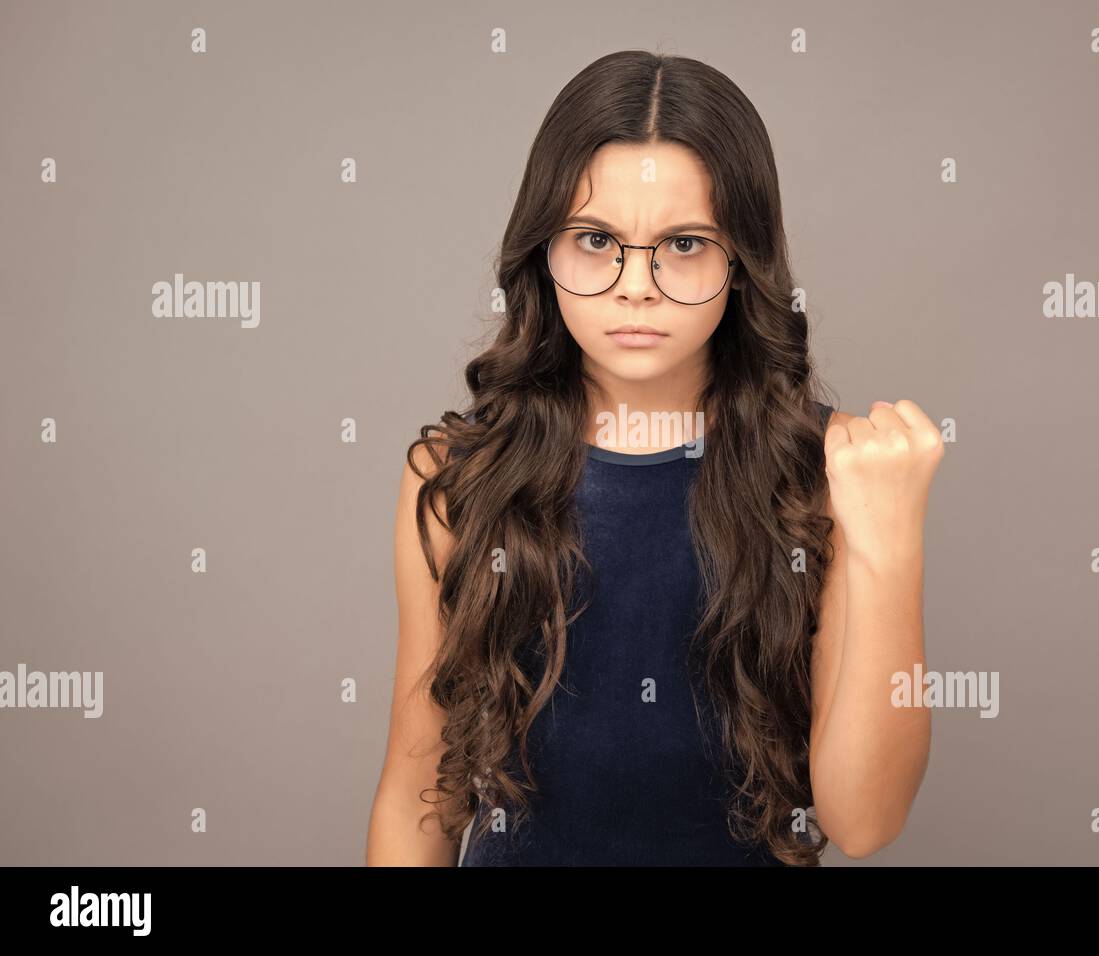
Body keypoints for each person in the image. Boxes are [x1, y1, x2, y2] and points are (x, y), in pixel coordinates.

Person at [366, 49, 942, 867]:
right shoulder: (456, 476)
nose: (636, 285)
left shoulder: (834, 473)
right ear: (543, 251)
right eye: (598, 240)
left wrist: (891, 543)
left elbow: (864, 819)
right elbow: (415, 793)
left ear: (740, 263)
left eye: (683, 244)